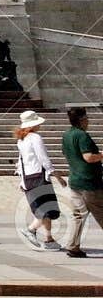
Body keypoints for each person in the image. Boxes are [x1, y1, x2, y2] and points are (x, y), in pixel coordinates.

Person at [15, 110, 62, 251]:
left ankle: (49, 239)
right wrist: (56, 175)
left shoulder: (21, 139)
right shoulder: (35, 137)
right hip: (39, 177)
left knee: (43, 209)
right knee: (50, 209)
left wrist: (21, 180)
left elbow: (21, 161)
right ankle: (31, 230)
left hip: (28, 179)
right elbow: (43, 158)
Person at [61, 106, 103, 258]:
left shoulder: (66, 134)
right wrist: (102, 155)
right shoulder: (83, 135)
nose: (88, 121)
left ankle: (73, 246)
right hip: (89, 183)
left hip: (75, 181)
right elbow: (88, 157)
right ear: (82, 120)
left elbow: (66, 153)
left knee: (78, 215)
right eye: (87, 118)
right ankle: (73, 246)